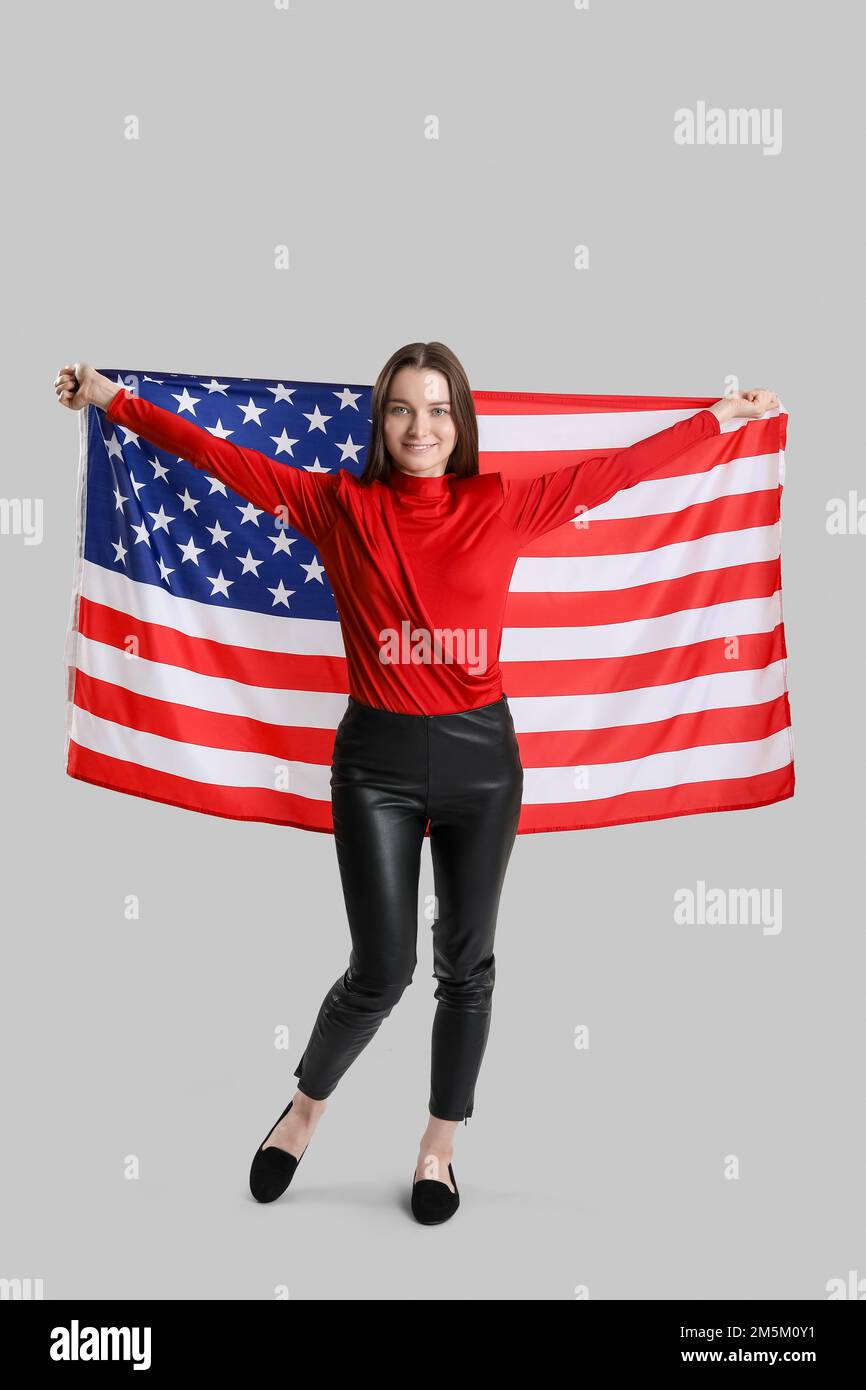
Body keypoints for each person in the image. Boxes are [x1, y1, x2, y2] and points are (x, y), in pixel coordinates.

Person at [54, 349, 779, 1225]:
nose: (420, 428)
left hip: (484, 765)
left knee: (467, 969)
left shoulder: (499, 503)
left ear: (460, 423)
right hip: (375, 767)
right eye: (401, 410)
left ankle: (439, 1144)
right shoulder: (339, 506)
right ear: (380, 422)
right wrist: (109, 398)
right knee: (381, 968)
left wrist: (718, 419)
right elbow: (217, 455)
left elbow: (614, 473)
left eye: (438, 411)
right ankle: (305, 1111)